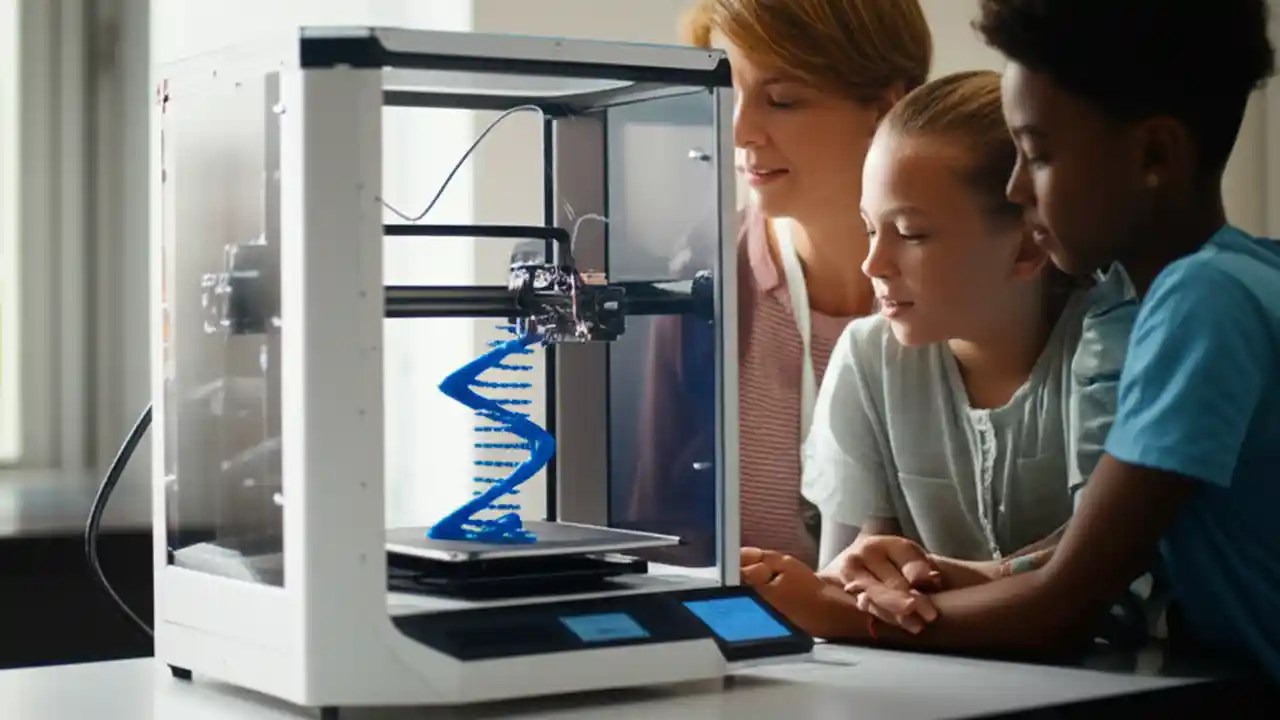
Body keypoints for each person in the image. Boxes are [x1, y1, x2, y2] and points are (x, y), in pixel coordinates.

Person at [746, 0, 1280, 679]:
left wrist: (846, 615)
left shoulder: (1201, 305)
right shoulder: (1225, 283)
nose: (1016, 187)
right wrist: (949, 576)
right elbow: (1091, 547)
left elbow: (1068, 600)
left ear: (1153, 154)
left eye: (1038, 155)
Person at [620, 0, 933, 568]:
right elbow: (660, 532)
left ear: (887, 105)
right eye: (727, 92)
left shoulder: (967, 277)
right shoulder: (705, 276)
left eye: (781, 99)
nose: (738, 130)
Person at [795, 68, 1093, 635]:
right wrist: (857, 569)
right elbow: (840, 575)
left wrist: (939, 581)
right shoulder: (867, 357)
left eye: (910, 233)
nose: (873, 264)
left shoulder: (1105, 353)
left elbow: (1109, 577)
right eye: (869, 229)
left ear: (1028, 245)